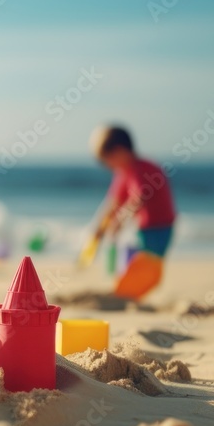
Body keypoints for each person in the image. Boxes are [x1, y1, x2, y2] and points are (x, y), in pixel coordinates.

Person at [89, 125, 176, 298]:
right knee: (131, 255)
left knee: (148, 264)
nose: (107, 165)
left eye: (108, 159)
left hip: (159, 227)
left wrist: (120, 220)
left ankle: (128, 293)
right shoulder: (123, 172)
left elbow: (139, 198)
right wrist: (100, 228)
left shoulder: (141, 169)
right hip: (144, 227)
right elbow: (113, 202)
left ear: (120, 151)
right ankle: (125, 290)